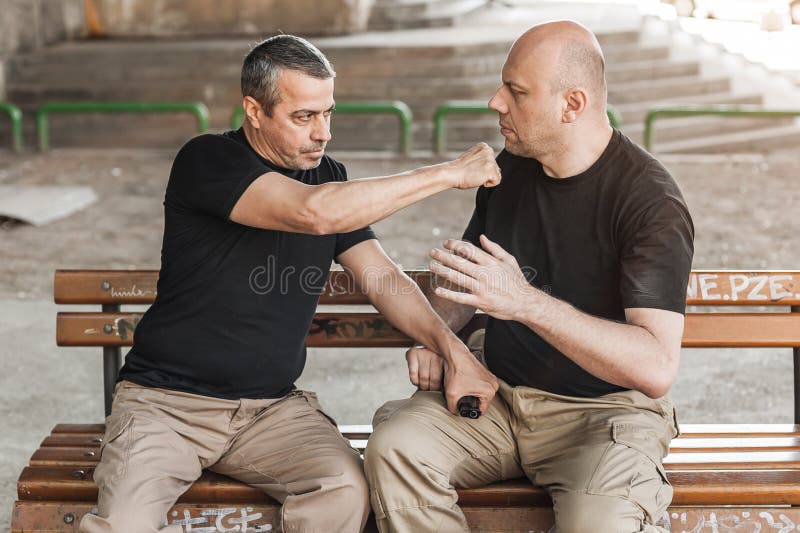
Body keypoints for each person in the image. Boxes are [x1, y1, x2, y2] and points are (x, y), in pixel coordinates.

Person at [79, 34, 501, 533]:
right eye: (304, 117)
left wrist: (452, 350)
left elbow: (383, 278)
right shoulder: (207, 160)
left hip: (270, 411)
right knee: (121, 525)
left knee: (345, 491)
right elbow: (312, 213)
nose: (322, 133)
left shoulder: (328, 175)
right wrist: (449, 173)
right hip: (166, 406)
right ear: (254, 111)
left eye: (328, 113)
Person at [364, 20, 694, 533]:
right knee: (395, 448)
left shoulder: (650, 201)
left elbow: (654, 367)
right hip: (498, 396)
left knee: (601, 522)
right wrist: (439, 337)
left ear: (572, 104)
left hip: (604, 416)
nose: (496, 102)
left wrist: (524, 302)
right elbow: (467, 287)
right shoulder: (511, 170)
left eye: (515, 92)